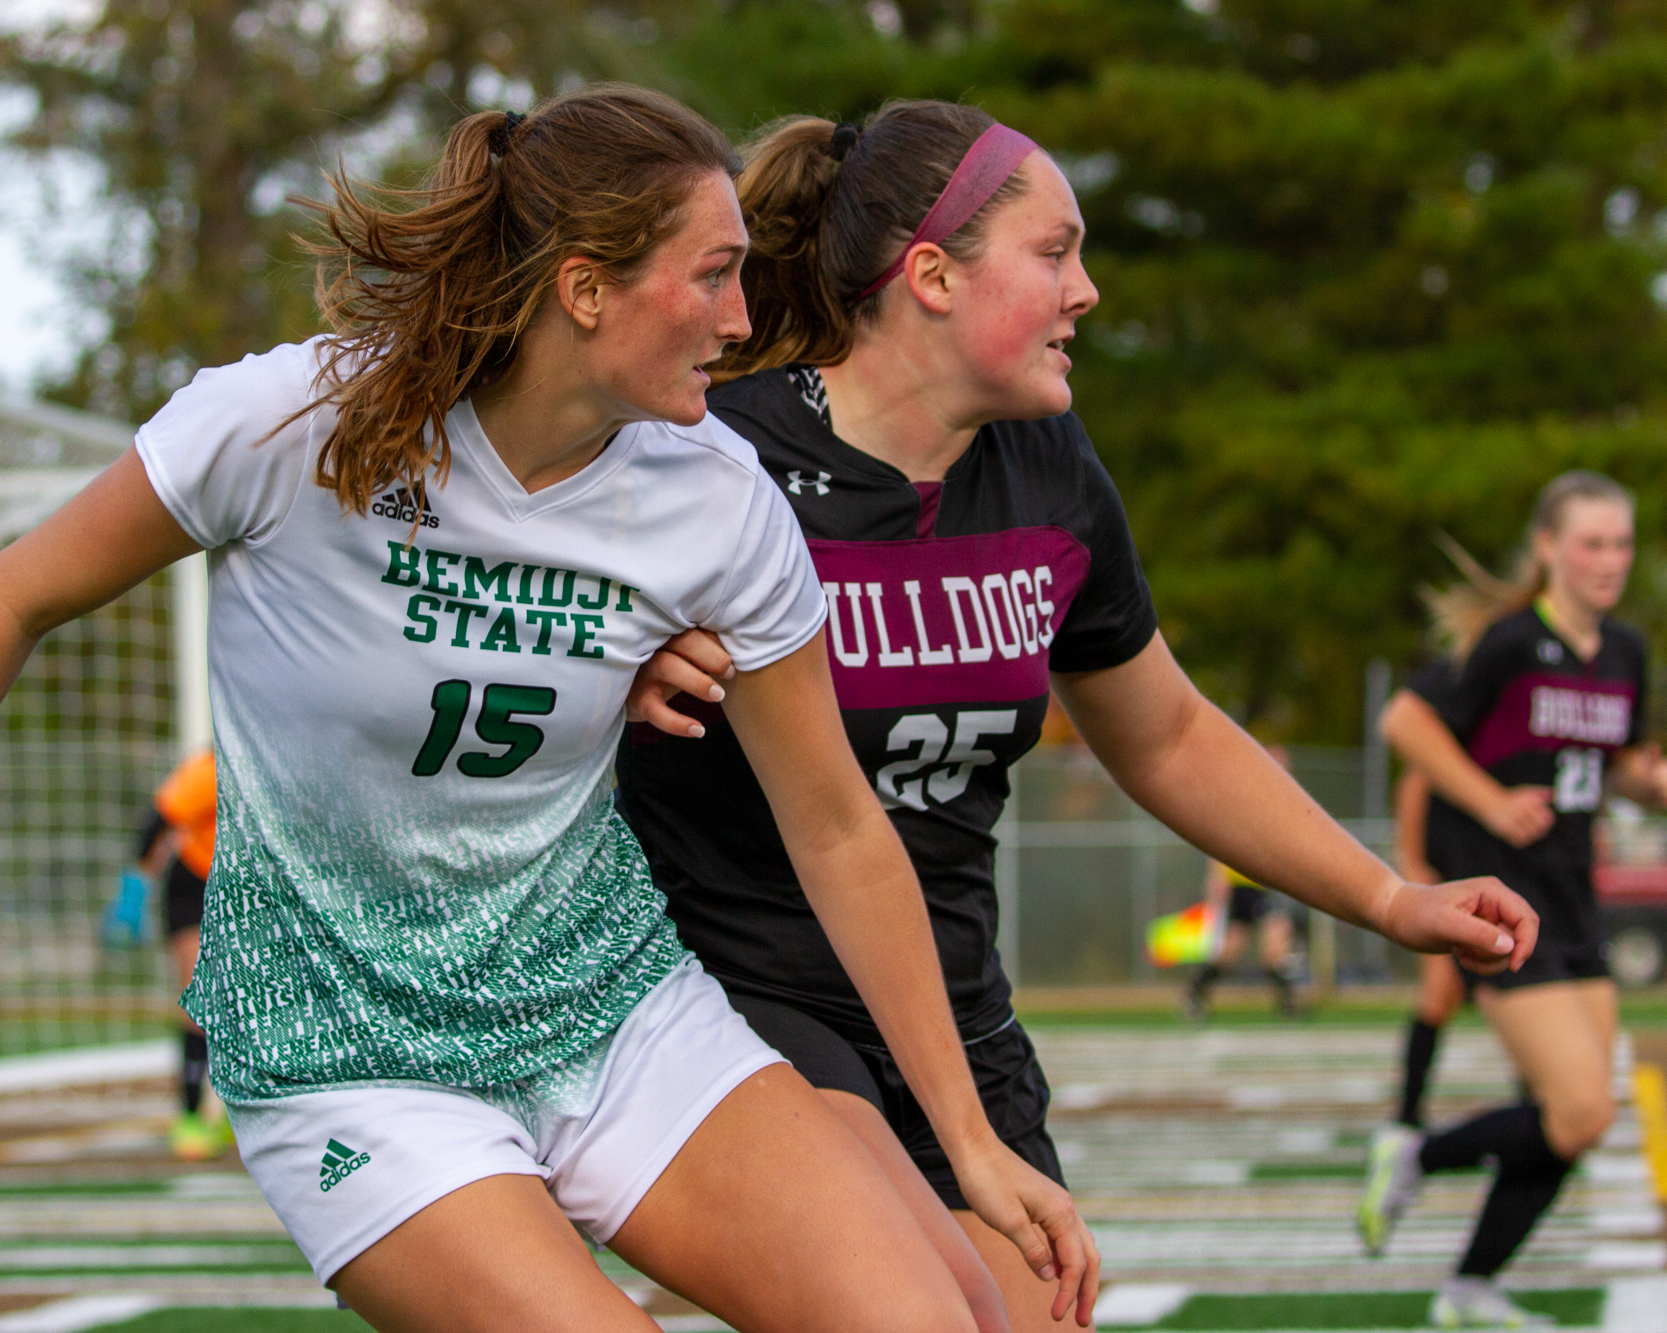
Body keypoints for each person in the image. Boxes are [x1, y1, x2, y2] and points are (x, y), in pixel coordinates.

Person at [0, 85, 1116, 1333]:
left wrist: (968, 1142)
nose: (747, 324)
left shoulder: (712, 499)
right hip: (351, 1055)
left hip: (610, 1013)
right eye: (714, 278)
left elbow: (839, 831)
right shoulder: (290, 426)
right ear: (584, 290)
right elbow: (4, 599)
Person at [614, 100, 1539, 1333]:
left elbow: (1163, 733)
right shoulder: (713, 455)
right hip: (737, 1004)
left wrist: (1387, 899)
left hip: (953, 1013)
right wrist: (597, 650)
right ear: (931, 276)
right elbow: (470, 583)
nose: (1086, 291)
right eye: (1054, 252)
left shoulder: (1048, 470)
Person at [1364, 471, 1667, 1328]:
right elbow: (1406, 726)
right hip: (1505, 900)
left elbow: (1619, 772)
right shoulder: (1507, 642)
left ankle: (1467, 1288)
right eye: (1591, 542)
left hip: (1576, 899)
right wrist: (1492, 801)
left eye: (1620, 542)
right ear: (1548, 548)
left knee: (1569, 1121)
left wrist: (1652, 785)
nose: (1608, 559)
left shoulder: (1625, 652)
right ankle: (1417, 1153)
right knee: (1581, 1108)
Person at [131, 746, 226, 1160]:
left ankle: (241, 1108)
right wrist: (135, 885)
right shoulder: (211, 769)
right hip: (194, 886)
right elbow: (158, 821)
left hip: (246, 888)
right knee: (197, 1001)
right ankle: (188, 1116)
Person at [1184, 747, 1309, 1020]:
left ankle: (1290, 1004)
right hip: (1241, 883)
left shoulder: (1284, 802)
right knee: (1229, 952)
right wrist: (1216, 875)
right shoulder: (1247, 796)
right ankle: (1194, 996)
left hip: (1264, 884)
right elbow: (1218, 836)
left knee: (1275, 944)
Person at [1391, 759, 1468, 1132]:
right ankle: (1407, 1114)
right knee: (1438, 997)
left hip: (1492, 876)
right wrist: (1412, 862)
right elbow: (1415, 781)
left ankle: (1538, 1103)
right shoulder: (1450, 729)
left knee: (1519, 997)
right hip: (1447, 880)